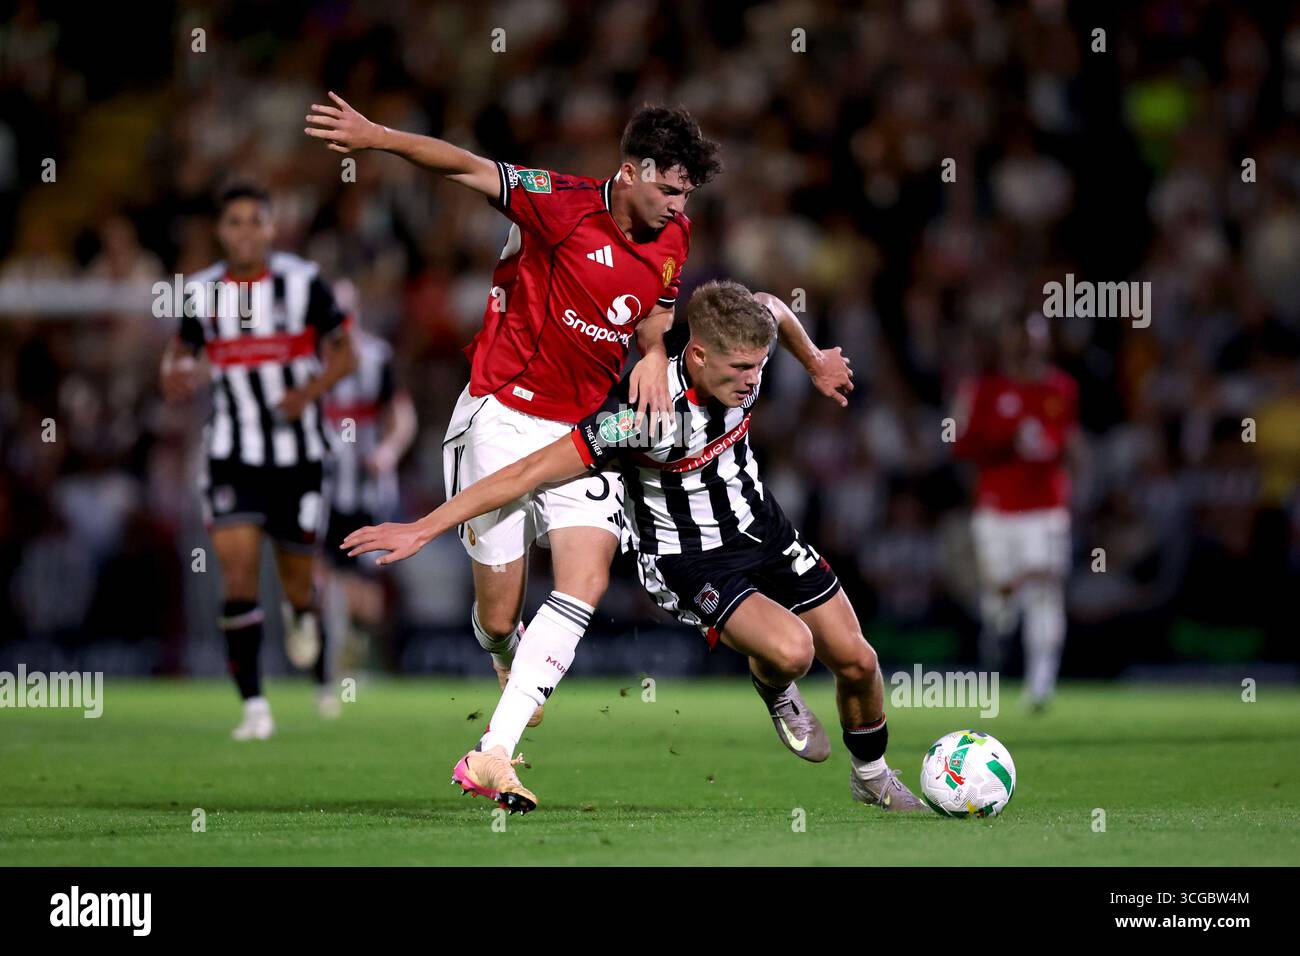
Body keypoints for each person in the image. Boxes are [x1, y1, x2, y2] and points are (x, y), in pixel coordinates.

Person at [306, 96, 850, 753]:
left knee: (584, 582)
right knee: (501, 614)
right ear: (630, 172)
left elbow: (656, 309)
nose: (680, 206)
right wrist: (378, 135)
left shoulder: (674, 235)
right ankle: (502, 649)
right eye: (671, 190)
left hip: (584, 427)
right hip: (503, 412)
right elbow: (465, 167)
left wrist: (651, 352)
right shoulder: (558, 202)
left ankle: (493, 755)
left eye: (688, 193)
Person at [343, 281, 924, 815]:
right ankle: (773, 683)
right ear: (696, 356)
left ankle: (871, 775)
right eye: (741, 368)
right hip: (687, 559)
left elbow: (771, 305)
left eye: (759, 366)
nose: (752, 380)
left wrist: (816, 358)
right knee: (793, 650)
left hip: (762, 529)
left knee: (860, 661)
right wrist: (424, 526)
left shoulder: (744, 343)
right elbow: (532, 470)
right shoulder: (640, 416)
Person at [159, 183, 357, 739]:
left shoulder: (302, 282)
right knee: (239, 572)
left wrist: (307, 392)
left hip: (298, 456)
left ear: (271, 228)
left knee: (297, 585)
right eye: (234, 223)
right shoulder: (200, 291)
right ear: (221, 232)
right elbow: (181, 349)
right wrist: (169, 367)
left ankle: (307, 632)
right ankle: (254, 708)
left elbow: (348, 353)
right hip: (230, 454)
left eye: (255, 221)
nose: (245, 231)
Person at [951, 313, 1079, 711]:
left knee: (1044, 590)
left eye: (1033, 340)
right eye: (1019, 339)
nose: (1026, 348)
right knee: (1000, 597)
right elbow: (960, 444)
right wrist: (1006, 438)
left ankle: (1041, 683)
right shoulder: (984, 389)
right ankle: (998, 639)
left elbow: (1067, 444)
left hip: (1045, 508)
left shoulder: (1062, 388)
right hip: (996, 509)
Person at [320, 279, 417, 698]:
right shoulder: (308, 362)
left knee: (366, 583)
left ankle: (362, 660)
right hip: (323, 488)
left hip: (366, 487)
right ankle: (336, 662)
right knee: (323, 577)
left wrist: (388, 451)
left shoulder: (376, 357)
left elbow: (402, 416)